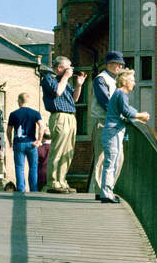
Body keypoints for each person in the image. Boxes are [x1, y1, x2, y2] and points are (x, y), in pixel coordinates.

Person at [99, 68, 148, 205]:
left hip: (113, 132)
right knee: (111, 162)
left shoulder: (118, 94)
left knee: (113, 162)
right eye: (132, 80)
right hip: (113, 132)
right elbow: (126, 111)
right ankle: (106, 194)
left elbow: (125, 110)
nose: (134, 83)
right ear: (125, 81)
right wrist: (141, 115)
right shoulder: (121, 94)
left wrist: (136, 116)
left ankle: (107, 192)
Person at [40, 56, 85, 193]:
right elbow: (57, 92)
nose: (70, 71)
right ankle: (53, 182)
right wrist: (65, 77)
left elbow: (74, 99)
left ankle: (62, 181)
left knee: (67, 152)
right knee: (58, 150)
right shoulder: (49, 78)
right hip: (59, 116)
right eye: (68, 68)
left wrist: (78, 85)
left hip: (71, 116)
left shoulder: (64, 81)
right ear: (59, 68)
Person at [89, 52, 125, 197]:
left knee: (119, 157)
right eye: (117, 63)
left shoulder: (115, 80)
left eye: (121, 64)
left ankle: (108, 189)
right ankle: (99, 191)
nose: (120, 66)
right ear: (108, 64)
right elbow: (106, 102)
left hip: (113, 122)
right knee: (101, 157)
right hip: (102, 122)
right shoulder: (101, 79)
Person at [7, 92, 44, 194]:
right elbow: (41, 125)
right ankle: (33, 190)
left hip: (18, 143)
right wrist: (39, 140)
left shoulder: (13, 114)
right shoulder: (35, 113)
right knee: (33, 167)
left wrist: (10, 142)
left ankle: (21, 190)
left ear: (19, 101)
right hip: (32, 143)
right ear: (27, 101)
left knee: (19, 167)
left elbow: (9, 130)